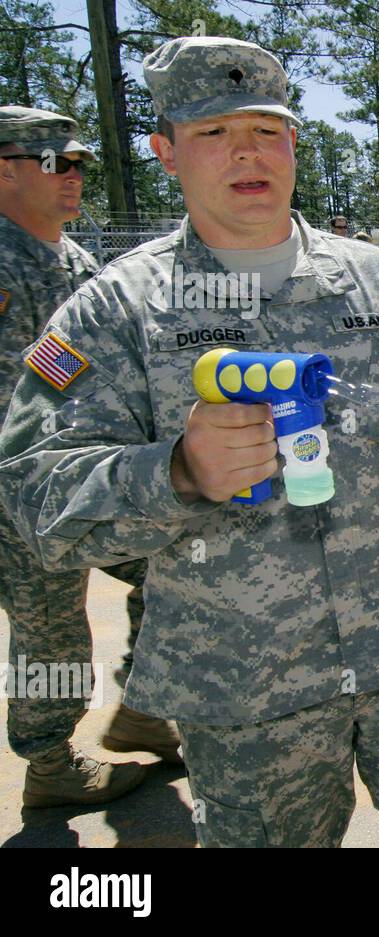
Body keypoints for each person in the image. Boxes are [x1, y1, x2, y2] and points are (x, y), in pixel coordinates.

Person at [0, 36, 379, 847]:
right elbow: (35, 491)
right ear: (165, 151)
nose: (246, 151)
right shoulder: (115, 310)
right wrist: (174, 472)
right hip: (247, 699)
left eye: (267, 129)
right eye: (213, 133)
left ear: (292, 144)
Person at [0, 106, 182, 809]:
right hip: (18, 482)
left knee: (168, 562)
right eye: (57, 163)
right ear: (7, 168)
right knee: (52, 630)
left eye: (80, 164)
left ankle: (143, 705)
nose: (74, 177)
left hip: (86, 469)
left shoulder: (76, 261)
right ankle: (49, 763)